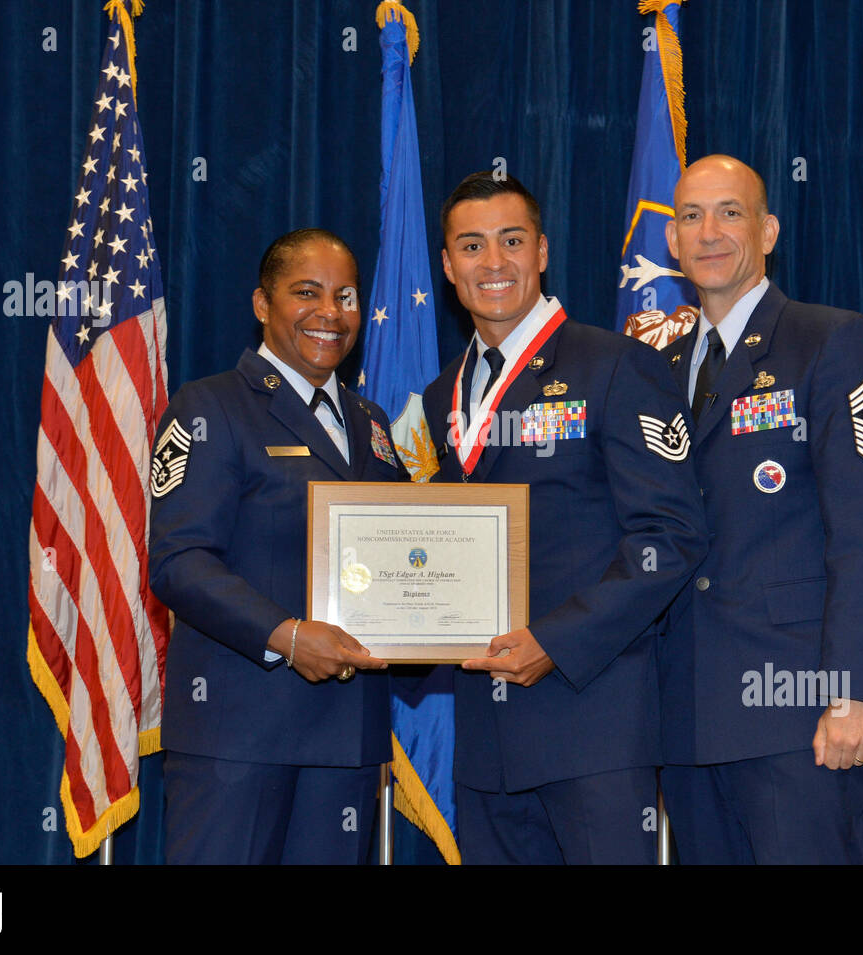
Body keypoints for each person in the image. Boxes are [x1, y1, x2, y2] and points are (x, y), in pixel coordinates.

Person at [421, 171, 708, 864]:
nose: (493, 263)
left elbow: (670, 537)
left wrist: (555, 640)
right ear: (448, 265)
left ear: (542, 251)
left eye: (511, 240)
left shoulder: (617, 366)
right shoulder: (440, 396)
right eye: (471, 245)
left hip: (594, 725)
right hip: (485, 745)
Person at [658, 155, 863, 864]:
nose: (709, 232)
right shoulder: (655, 370)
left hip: (798, 713)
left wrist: (857, 691)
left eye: (729, 212)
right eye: (690, 215)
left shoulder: (830, 340)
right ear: (671, 243)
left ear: (767, 230)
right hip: (686, 716)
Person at [149, 229, 404, 864]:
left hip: (346, 737)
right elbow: (179, 562)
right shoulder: (210, 407)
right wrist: (287, 635)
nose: (331, 313)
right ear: (263, 305)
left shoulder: (371, 422)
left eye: (345, 295)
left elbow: (398, 550)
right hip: (238, 734)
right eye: (307, 293)